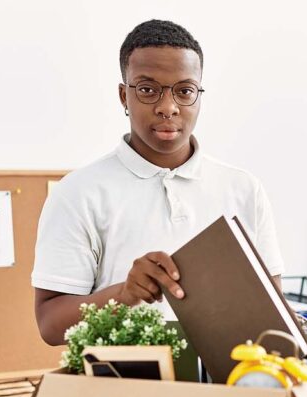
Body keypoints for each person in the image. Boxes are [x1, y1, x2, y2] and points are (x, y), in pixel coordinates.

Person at [32, 19, 284, 345]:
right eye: (148, 90)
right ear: (124, 96)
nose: (168, 107)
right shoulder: (78, 193)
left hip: (226, 388)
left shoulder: (243, 189)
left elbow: (273, 311)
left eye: (185, 91)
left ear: (199, 96)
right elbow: (50, 325)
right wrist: (123, 294)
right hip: (124, 390)